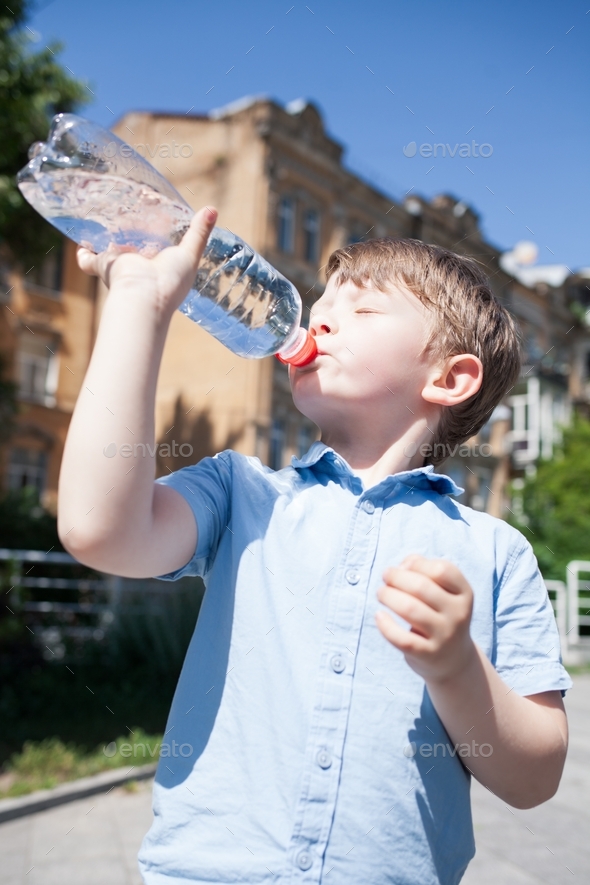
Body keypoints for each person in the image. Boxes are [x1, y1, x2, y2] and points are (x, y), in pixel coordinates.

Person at [58, 206, 571, 885]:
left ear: (448, 378)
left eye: (361, 310)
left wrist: (457, 668)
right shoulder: (239, 492)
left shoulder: (496, 550)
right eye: (323, 302)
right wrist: (137, 305)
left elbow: (535, 776)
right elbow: (98, 526)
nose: (319, 317)